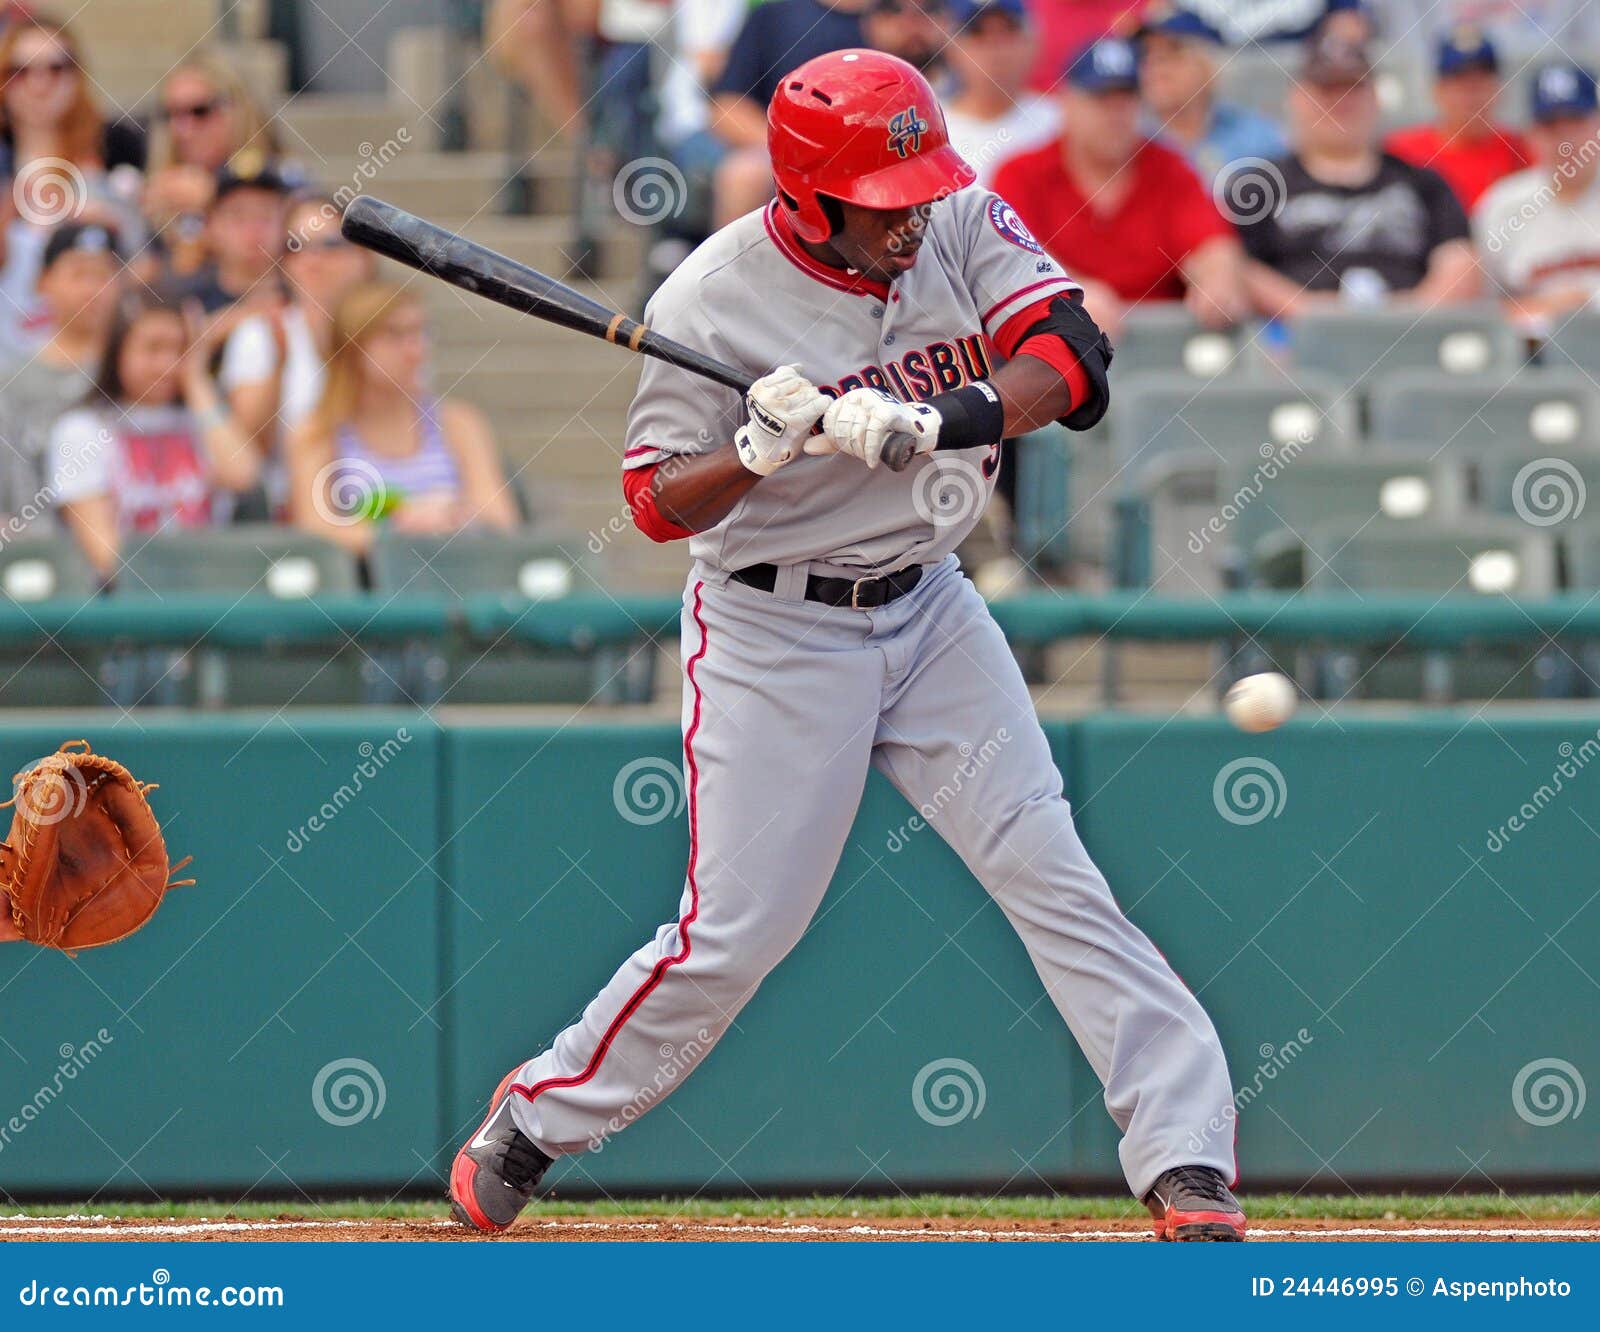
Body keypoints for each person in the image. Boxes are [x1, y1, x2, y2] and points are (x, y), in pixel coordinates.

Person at [447, 48, 1246, 1246]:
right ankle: (537, 1121)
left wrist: (943, 418)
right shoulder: (706, 299)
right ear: (809, 197)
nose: (910, 220)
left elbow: (1074, 358)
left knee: (1052, 872)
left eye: (919, 191)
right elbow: (657, 501)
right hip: (775, 629)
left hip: (930, 608)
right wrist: (753, 454)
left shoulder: (957, 215)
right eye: (883, 206)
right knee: (737, 933)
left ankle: (1184, 1157)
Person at [992, 37, 1246, 337]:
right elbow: (1009, 265)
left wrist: (1217, 279)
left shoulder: (1168, 167)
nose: (1115, 114)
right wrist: (1069, 293)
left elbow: (1210, 243)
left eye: (1126, 99)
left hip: (1158, 354)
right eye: (1101, 100)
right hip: (1049, 354)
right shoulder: (1021, 173)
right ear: (1067, 104)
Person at [1236, 32, 1479, 317]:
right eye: (1327, 89)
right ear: (1297, 98)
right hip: (1293, 347)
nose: (1341, 102)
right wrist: (1311, 315)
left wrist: (1407, 321)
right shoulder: (1258, 186)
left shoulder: (1424, 182)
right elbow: (1231, 264)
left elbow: (1461, 263)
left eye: (1353, 88)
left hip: (1412, 341)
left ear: (1376, 97)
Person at [287, 282, 517, 556]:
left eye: (420, 332)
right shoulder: (318, 430)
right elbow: (314, 529)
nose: (415, 350)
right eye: (394, 335)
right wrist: (399, 528)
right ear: (353, 346)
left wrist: (450, 516)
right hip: (367, 588)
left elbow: (501, 520)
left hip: (455, 580)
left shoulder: (458, 422)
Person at [48, 296, 259, 581]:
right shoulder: (80, 429)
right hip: (127, 603)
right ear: (116, 349)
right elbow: (104, 550)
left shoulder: (203, 420)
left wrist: (196, 379)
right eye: (153, 348)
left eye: (180, 349)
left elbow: (242, 475)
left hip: (209, 593)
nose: (169, 365)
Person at [708, 0, 950, 226]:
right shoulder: (777, 15)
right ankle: (732, 269)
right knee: (744, 174)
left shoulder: (916, 12)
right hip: (795, 156)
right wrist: (801, 153)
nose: (906, 18)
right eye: (892, 12)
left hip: (892, 150)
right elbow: (728, 106)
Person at [219, 193, 378, 513]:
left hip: (382, 504)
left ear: (364, 258)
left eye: (330, 245)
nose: (312, 259)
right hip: (290, 519)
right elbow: (248, 458)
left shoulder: (390, 333)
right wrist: (279, 365)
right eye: (296, 245)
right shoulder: (259, 335)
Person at [0, 15, 144, 360]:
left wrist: (111, 229)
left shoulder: (118, 148)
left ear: (78, 74)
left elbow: (147, 267)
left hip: (94, 357)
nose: (40, 83)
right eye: (20, 71)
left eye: (57, 68)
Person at [0, 222, 120, 525]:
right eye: (79, 274)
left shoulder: (132, 370)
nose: (93, 290)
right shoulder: (13, 381)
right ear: (43, 281)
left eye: (104, 275)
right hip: (43, 552)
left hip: (138, 550)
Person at [1475, 62, 1600, 333]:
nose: (1565, 139)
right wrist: (1553, 306)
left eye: (1576, 121)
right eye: (1550, 125)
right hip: (1530, 359)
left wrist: (1584, 301)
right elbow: (1480, 315)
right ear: (1531, 134)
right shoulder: (1502, 205)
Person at [143, 54, 284, 280]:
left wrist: (213, 199)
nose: (183, 130)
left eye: (200, 111)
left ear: (237, 110)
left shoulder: (282, 177)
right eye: (172, 114)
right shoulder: (160, 194)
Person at [1384, 27, 1530, 212]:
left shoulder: (1523, 151)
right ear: (1437, 91)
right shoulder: (1402, 153)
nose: (1472, 94)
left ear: (1499, 89)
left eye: (1481, 82)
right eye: (1460, 83)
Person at [1137, 7, 1286, 185]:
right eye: (1145, 55)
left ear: (1210, 66)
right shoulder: (1128, 140)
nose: (1156, 69)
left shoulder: (1257, 137)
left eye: (1172, 54)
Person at [940, 0, 1059, 187]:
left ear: (1033, 42)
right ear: (952, 47)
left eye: (1009, 31)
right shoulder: (933, 131)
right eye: (977, 33)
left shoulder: (1060, 124)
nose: (996, 48)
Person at [161, 159, 291, 315]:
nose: (253, 229)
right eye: (238, 217)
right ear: (210, 225)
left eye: (265, 216)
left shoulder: (305, 295)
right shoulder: (186, 303)